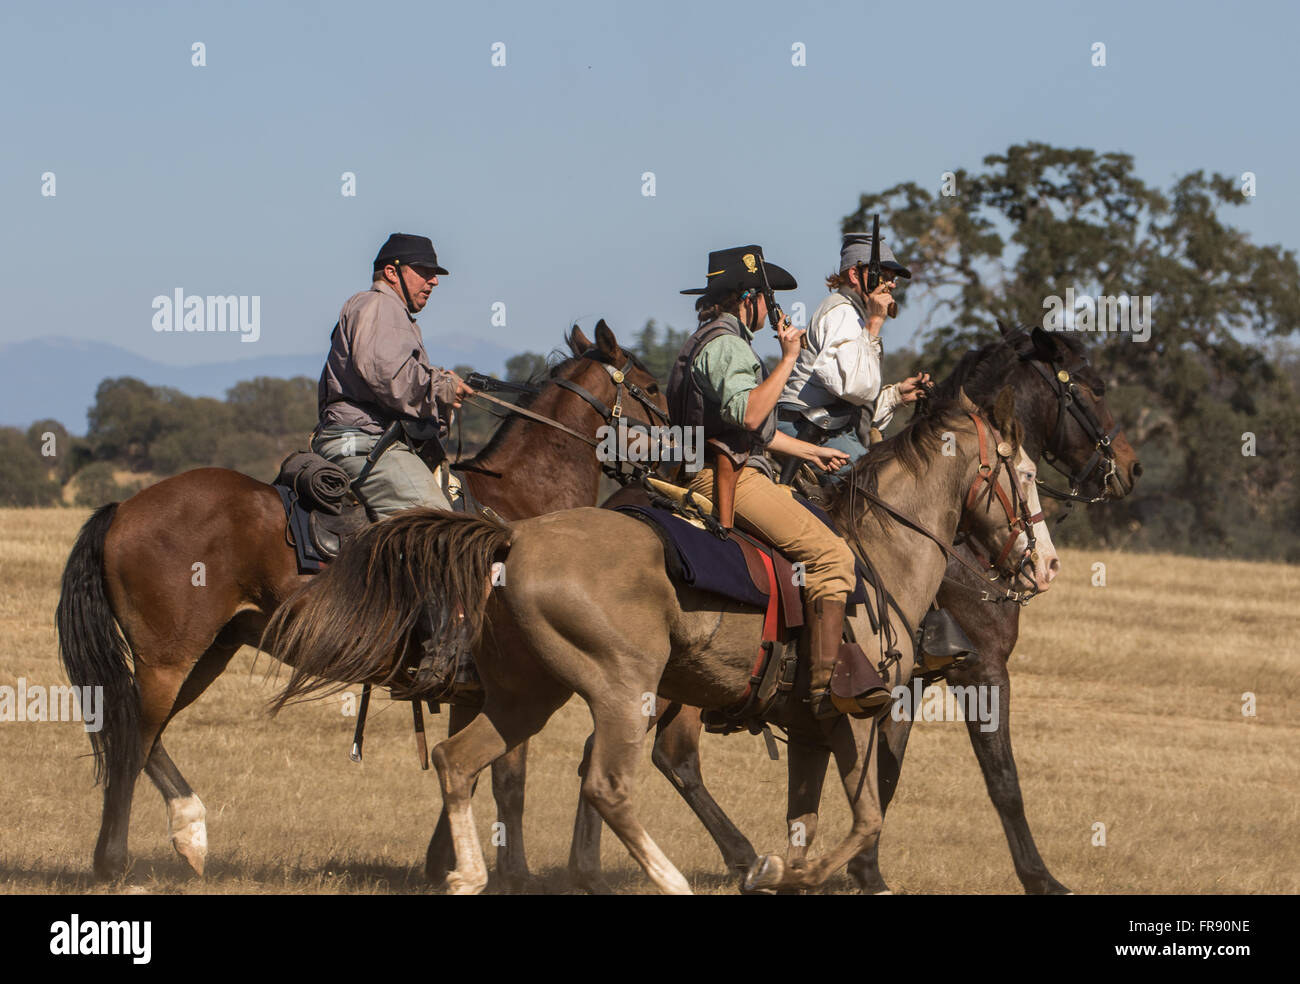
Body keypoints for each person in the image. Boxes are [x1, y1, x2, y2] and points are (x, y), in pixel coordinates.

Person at [667, 245, 890, 719]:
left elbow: (754, 428)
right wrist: (789, 358)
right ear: (747, 299)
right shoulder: (727, 344)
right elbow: (749, 413)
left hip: (711, 469)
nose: (772, 311)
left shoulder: (703, 339)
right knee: (832, 555)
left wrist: (811, 450)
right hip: (728, 479)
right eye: (765, 301)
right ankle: (823, 690)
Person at [313, 232, 474, 518]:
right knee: (438, 525)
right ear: (391, 272)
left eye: (434, 274)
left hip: (371, 439)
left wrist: (439, 385)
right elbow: (388, 376)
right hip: (363, 440)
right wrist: (440, 387)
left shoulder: (390, 312)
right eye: (424, 272)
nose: (433, 281)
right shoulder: (379, 305)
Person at [776, 230, 930, 468]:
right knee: (877, 487)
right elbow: (852, 388)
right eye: (884, 276)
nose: (890, 284)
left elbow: (851, 405)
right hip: (805, 427)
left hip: (827, 426)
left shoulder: (856, 315)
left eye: (892, 278)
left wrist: (896, 396)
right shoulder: (842, 311)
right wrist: (875, 323)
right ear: (855, 275)